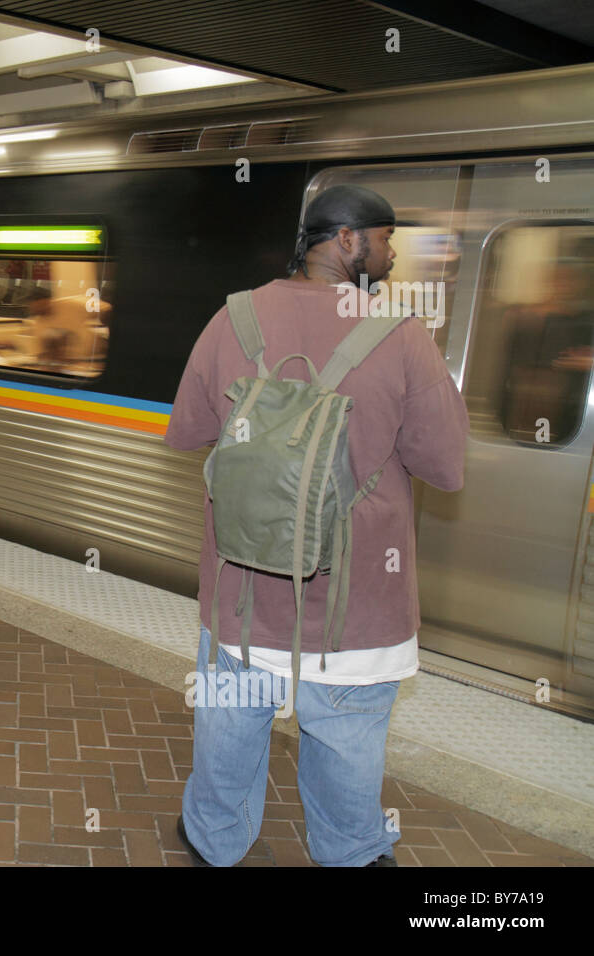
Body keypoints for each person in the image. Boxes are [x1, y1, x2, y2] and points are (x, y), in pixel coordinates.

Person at [166, 185, 468, 867]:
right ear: (347, 240)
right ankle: (349, 852)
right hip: (355, 604)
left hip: (241, 588)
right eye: (386, 239)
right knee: (347, 740)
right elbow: (446, 468)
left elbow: (187, 432)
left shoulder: (232, 319)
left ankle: (214, 840)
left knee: (227, 724)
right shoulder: (403, 337)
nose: (392, 254)